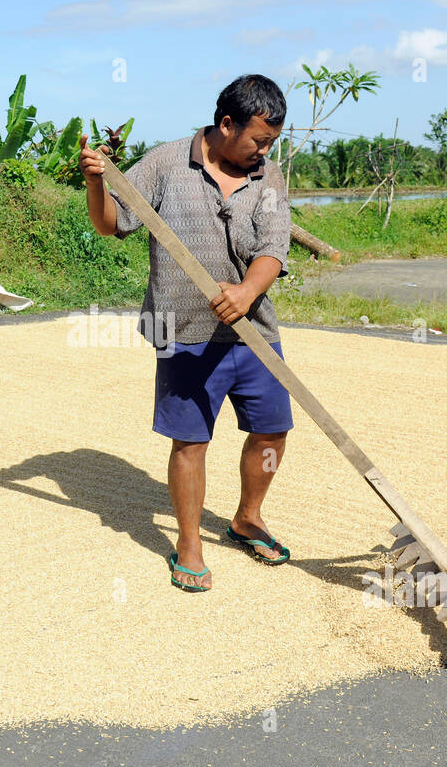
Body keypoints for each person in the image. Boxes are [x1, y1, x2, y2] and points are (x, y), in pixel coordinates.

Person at [78, 74, 293, 592]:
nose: (264, 150)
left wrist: (244, 292)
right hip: (182, 328)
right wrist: (95, 182)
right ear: (226, 124)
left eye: (271, 142)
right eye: (258, 140)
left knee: (271, 430)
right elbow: (112, 224)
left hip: (251, 330)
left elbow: (274, 248)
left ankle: (247, 517)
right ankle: (189, 543)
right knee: (190, 441)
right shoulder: (165, 163)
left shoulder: (268, 177)